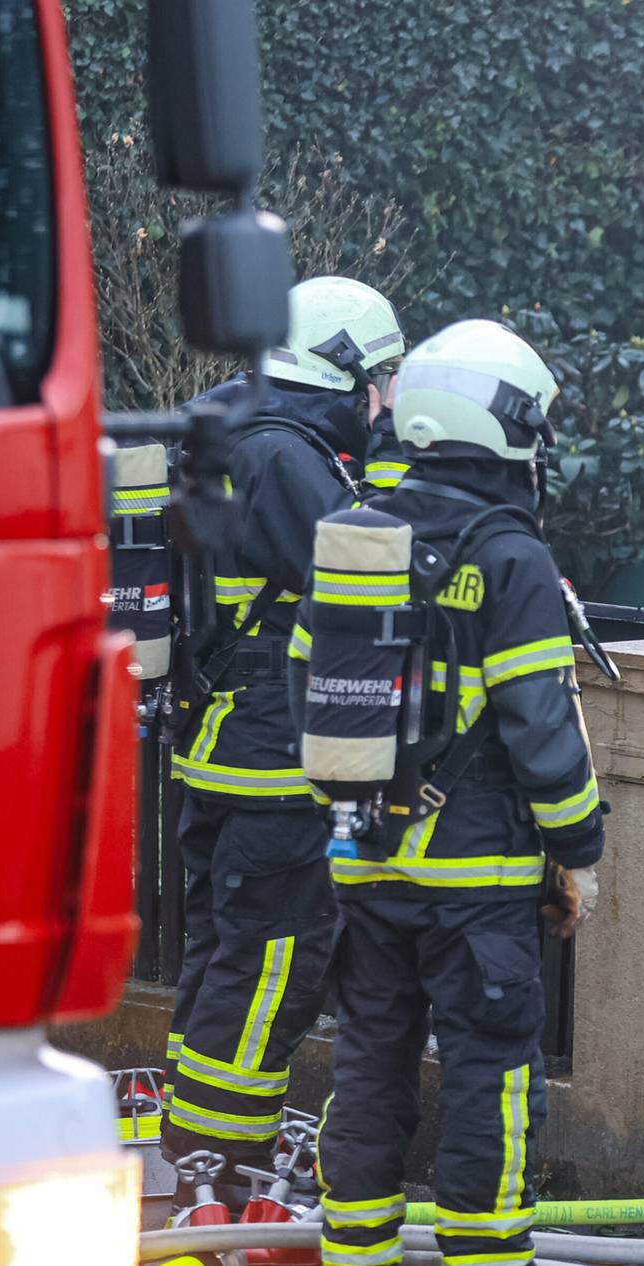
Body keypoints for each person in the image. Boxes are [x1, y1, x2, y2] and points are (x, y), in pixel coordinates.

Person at [291, 319, 605, 1266]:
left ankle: (354, 1252)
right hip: (477, 879)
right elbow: (541, 727)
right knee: (489, 1077)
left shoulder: (357, 539)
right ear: (503, 429)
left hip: (365, 862)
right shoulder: (509, 558)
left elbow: (308, 685)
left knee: (371, 1063)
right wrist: (581, 845)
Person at [160, 276, 406, 1192]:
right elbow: (371, 581)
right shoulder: (288, 455)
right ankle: (221, 1174)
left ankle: (183, 1156)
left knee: (226, 953)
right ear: (338, 368)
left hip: (223, 739)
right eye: (377, 376)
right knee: (273, 965)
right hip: (276, 751)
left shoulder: (228, 432)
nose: (383, 397)